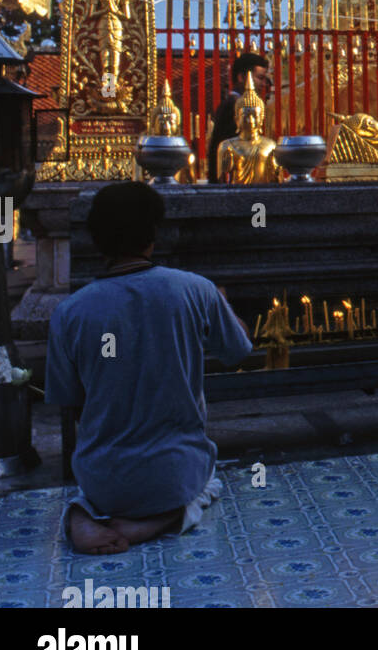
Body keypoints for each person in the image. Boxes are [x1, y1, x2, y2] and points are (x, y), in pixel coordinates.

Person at [45, 182, 252, 554]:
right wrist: (224, 306)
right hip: (175, 473)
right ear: (153, 236)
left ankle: (83, 512)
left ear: (97, 241)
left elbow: (68, 400)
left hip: (102, 479)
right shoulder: (195, 289)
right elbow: (239, 350)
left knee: (102, 480)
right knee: (209, 482)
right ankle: (155, 522)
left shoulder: (69, 312)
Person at [206, 51, 270, 183]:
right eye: (260, 77)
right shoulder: (234, 106)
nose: (263, 83)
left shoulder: (233, 103)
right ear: (241, 77)